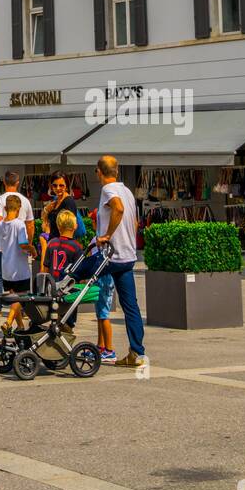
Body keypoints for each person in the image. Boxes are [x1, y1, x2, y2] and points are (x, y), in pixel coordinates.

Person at [86, 155, 145, 368]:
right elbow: (135, 222)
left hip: (110, 256)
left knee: (73, 277)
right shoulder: (128, 191)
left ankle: (63, 328)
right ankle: (136, 352)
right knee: (131, 306)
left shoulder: (108, 190)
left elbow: (118, 209)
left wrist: (107, 235)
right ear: (117, 171)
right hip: (127, 257)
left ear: (99, 172)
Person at [0, 171, 34, 315]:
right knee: (21, 276)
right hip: (21, 245)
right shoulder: (25, 201)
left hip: (3, 246)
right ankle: (23, 309)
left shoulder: (0, 200)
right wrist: (29, 245)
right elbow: (30, 224)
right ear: (18, 182)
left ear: (4, 182)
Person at [0, 196, 35, 334]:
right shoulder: (19, 224)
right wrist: (32, 248)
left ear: (4, 209)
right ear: (19, 208)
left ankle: (20, 326)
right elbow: (22, 244)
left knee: (14, 296)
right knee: (20, 297)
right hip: (19, 268)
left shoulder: (0, 225)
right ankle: (8, 322)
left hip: (6, 268)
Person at [43, 172, 80, 240]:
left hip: (63, 245)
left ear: (66, 186)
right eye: (55, 185)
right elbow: (45, 223)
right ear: (51, 186)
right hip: (54, 243)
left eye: (61, 185)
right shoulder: (56, 200)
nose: (58, 188)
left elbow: (70, 228)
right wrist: (46, 210)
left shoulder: (68, 202)